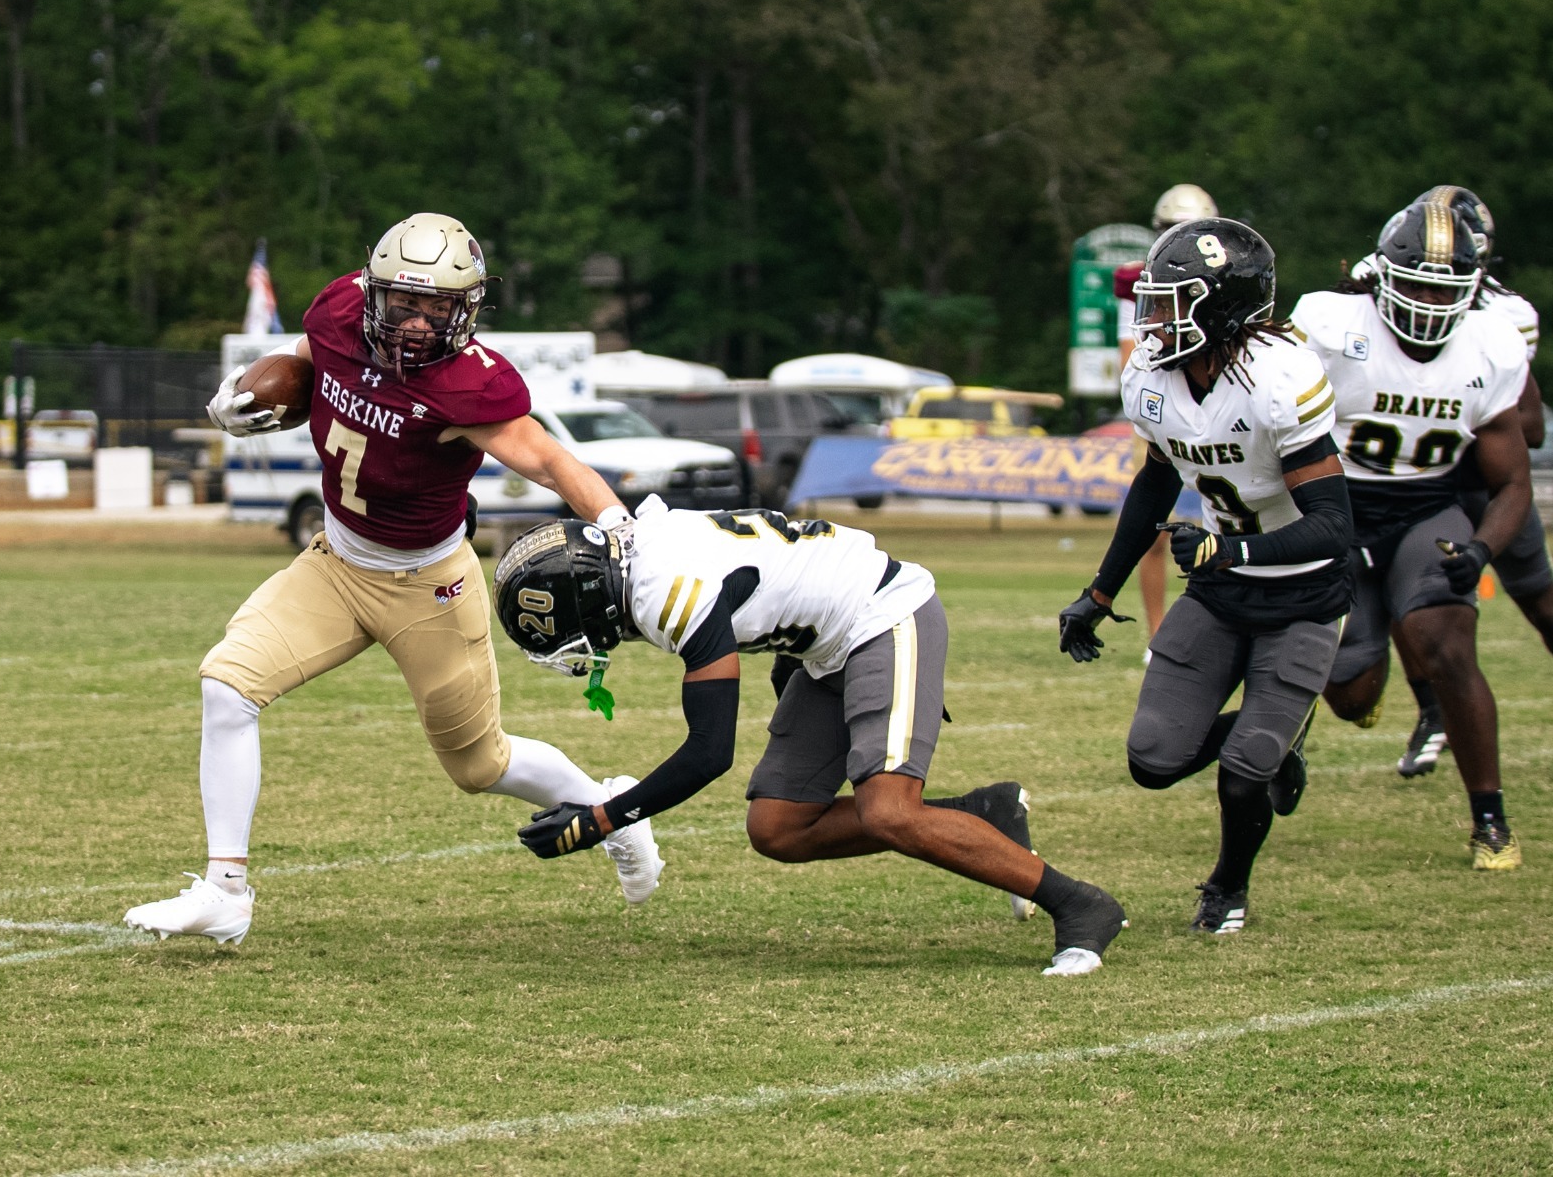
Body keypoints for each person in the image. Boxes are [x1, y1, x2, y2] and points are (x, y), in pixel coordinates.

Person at [123, 212, 663, 947]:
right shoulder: (340, 312)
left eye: (436, 308)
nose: (415, 322)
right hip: (336, 564)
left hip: (428, 586)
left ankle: (613, 811)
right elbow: (306, 362)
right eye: (403, 302)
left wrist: (622, 528)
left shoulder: (468, 384)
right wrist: (244, 395)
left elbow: (546, 459)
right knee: (228, 685)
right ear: (373, 292)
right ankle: (225, 891)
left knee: (479, 765)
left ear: (465, 309)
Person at [493, 507, 1129, 978]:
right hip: (826, 644)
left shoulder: (666, 595)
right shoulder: (637, 538)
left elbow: (709, 751)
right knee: (779, 828)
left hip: (884, 616)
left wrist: (602, 819)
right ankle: (985, 815)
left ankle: (1080, 905)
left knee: (889, 812)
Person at [1061, 219, 1353, 936]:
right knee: (1153, 760)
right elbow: (1155, 483)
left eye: (1172, 304)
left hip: (1304, 589)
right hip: (1222, 588)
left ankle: (1228, 884)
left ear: (1222, 309)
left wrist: (1231, 551)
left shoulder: (1279, 379)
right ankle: (1274, 740)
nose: (1153, 322)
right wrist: (1099, 593)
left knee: (1245, 771)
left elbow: (1333, 525)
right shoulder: (1153, 377)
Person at [1291, 198, 1534, 870]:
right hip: (1336, 508)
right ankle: (1365, 665)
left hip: (1425, 506)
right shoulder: (1328, 324)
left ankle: (1491, 819)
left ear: (1472, 290)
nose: (1428, 302)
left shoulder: (1492, 343)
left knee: (1448, 644)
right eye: (1416, 285)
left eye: (1444, 289)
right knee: (1351, 695)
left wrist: (1482, 548)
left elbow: (1513, 481)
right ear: (1382, 277)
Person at [1346, 187, 1551, 777]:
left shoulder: (1505, 318)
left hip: (1480, 481)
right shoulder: (1366, 297)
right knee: (1409, 603)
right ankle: (1432, 711)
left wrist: (1453, 415)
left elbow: (1529, 428)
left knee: (1538, 594)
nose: (1432, 290)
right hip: (1406, 484)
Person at [1113, 183, 1223, 652]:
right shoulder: (1142, 282)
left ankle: (1219, 626)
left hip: (1220, 406)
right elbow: (1131, 355)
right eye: (1171, 229)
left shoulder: (1226, 280)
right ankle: (1157, 634)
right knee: (1154, 530)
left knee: (1228, 522)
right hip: (1165, 401)